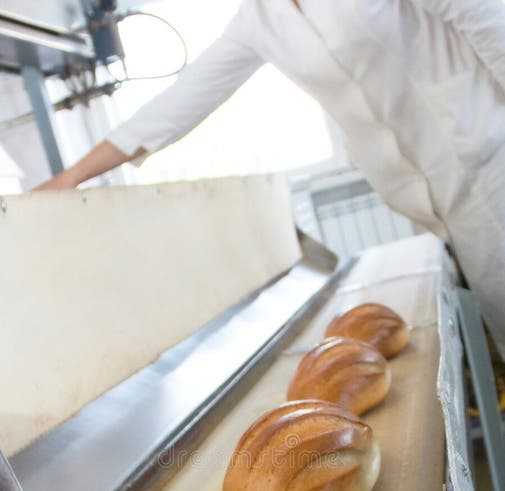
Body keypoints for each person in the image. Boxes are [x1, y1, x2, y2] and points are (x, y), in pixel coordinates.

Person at [37, 0, 505, 358]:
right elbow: (184, 98)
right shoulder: (260, 20)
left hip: (489, 161)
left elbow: (489, 21)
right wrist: (69, 180)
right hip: (428, 201)